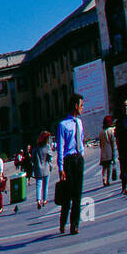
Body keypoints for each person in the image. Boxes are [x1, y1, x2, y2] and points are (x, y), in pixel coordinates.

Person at [57, 94, 86, 235]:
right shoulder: (63, 125)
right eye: (81, 105)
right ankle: (63, 222)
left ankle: (74, 225)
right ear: (75, 105)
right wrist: (61, 168)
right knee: (67, 196)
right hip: (68, 161)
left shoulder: (79, 123)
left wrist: (82, 155)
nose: (82, 107)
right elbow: (61, 148)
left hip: (78, 159)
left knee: (78, 195)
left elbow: (81, 139)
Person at [32, 131, 54, 209]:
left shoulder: (36, 147)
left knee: (38, 185)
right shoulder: (47, 146)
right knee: (45, 185)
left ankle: (38, 200)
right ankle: (44, 199)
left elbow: (33, 158)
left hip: (38, 168)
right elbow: (50, 157)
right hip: (46, 168)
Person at [98, 117, 116, 186]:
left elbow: (100, 144)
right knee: (109, 167)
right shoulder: (111, 131)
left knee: (104, 167)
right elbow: (112, 142)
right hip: (109, 151)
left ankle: (104, 178)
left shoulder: (101, 132)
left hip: (103, 152)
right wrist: (113, 152)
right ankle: (107, 180)